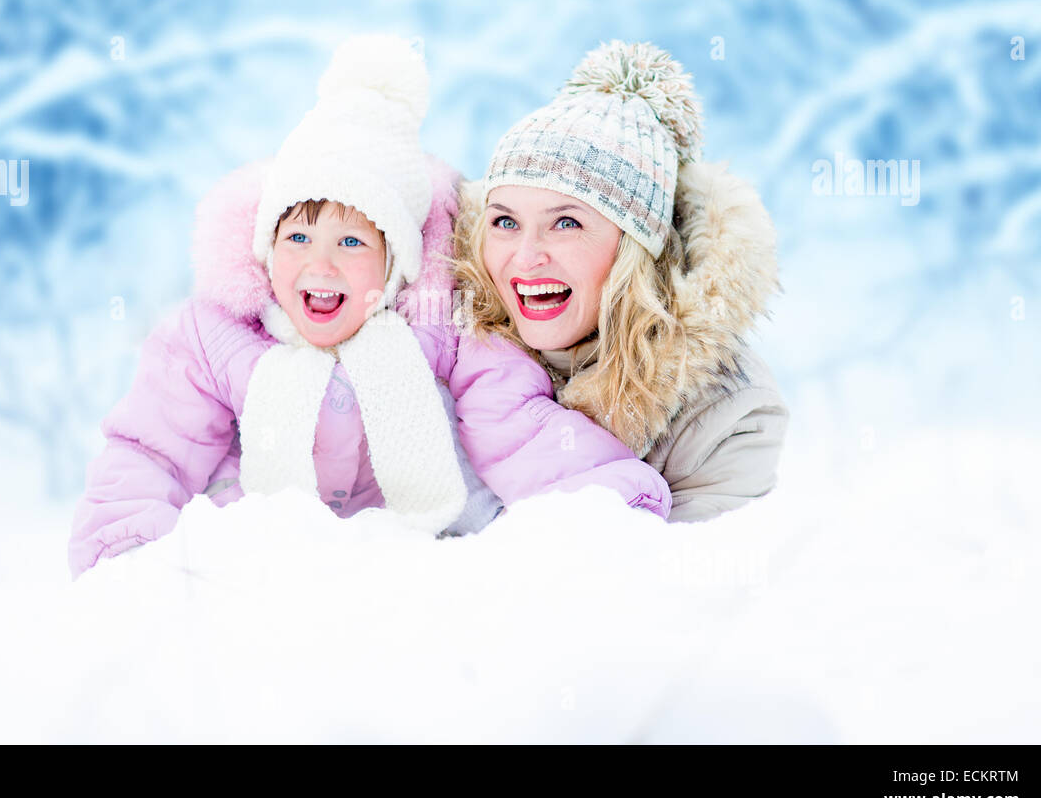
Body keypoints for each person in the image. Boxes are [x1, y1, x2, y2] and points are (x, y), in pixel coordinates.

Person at [68, 35, 672, 579]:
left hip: (391, 581)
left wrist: (608, 501)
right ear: (265, 247)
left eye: (352, 242)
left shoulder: (444, 327)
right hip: (249, 578)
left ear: (395, 264)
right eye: (297, 238)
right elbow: (152, 449)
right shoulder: (215, 335)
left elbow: (515, 427)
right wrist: (126, 560)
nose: (320, 265)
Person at [454, 39, 789, 522]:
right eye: (505, 222)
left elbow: (692, 590)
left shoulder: (727, 417)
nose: (525, 258)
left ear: (635, 246)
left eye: (566, 222)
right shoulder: (445, 347)